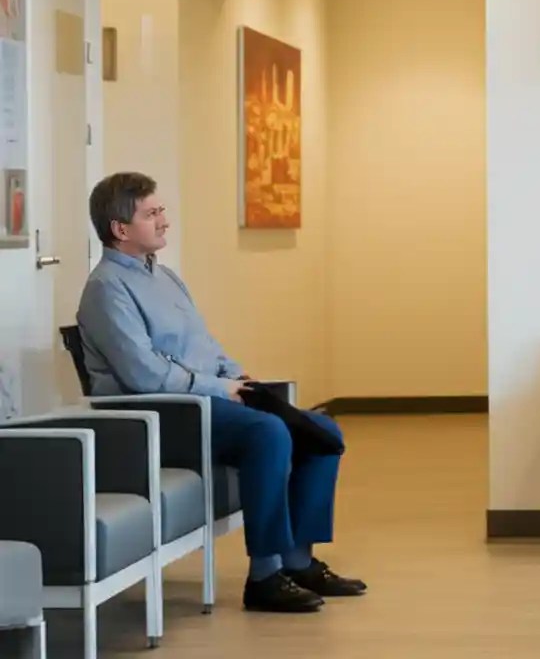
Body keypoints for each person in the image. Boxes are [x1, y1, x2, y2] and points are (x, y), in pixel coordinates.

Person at [76, 172, 366, 613]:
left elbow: (203, 347)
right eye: (152, 213)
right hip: (158, 416)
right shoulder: (105, 289)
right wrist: (220, 387)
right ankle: (265, 575)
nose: (164, 221)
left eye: (162, 211)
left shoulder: (166, 277)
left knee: (321, 430)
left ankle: (298, 561)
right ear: (120, 229)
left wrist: (238, 377)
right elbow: (145, 375)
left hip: (202, 398)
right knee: (268, 434)